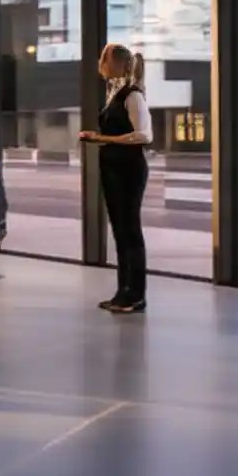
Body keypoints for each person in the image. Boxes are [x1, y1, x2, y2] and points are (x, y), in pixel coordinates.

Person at [80, 43, 152, 314]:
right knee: (120, 232)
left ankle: (135, 295)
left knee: (130, 230)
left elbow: (145, 135)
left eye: (104, 58)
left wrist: (102, 138)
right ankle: (124, 292)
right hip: (113, 168)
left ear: (119, 64)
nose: (101, 62)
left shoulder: (132, 96)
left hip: (129, 169)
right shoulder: (114, 93)